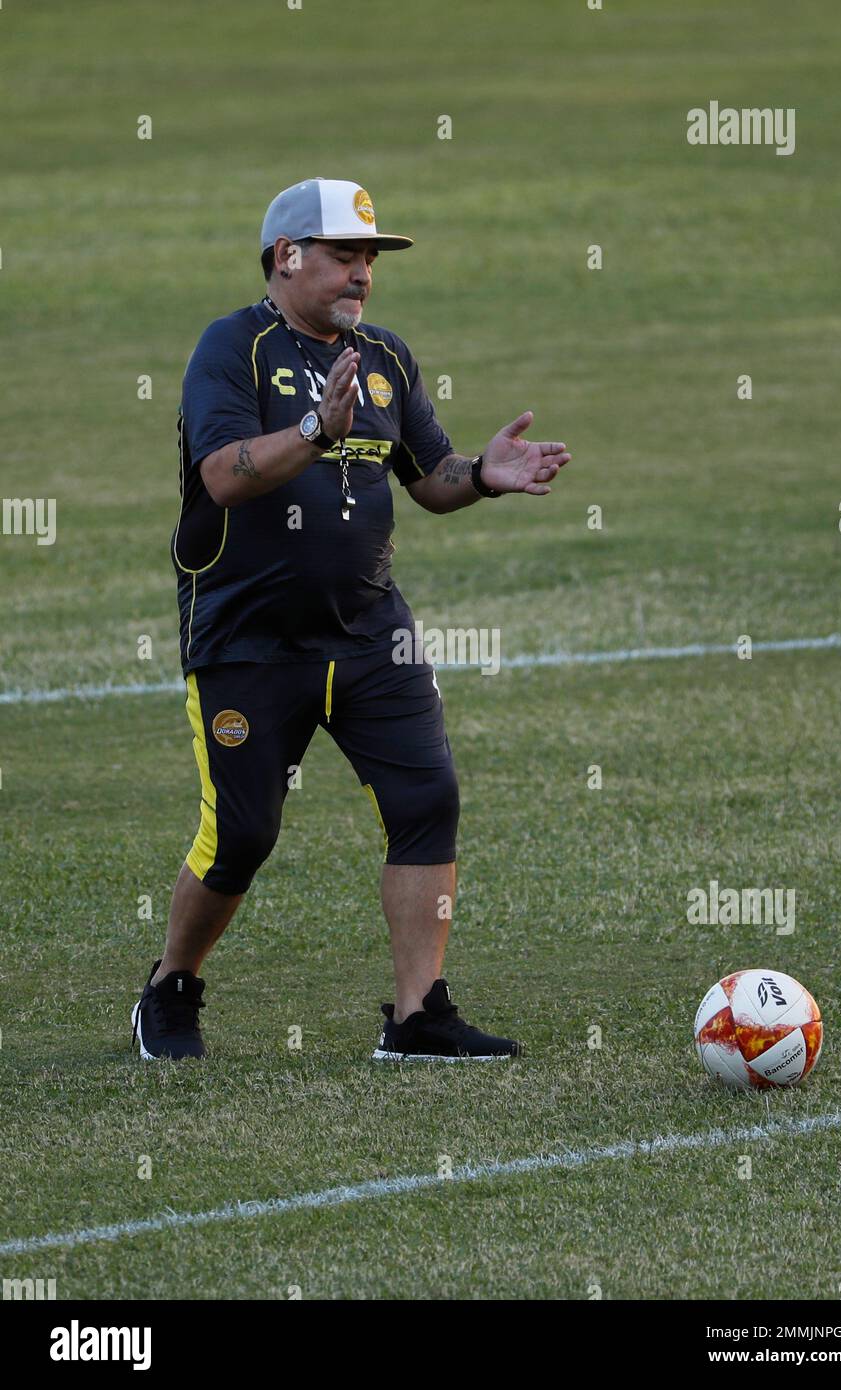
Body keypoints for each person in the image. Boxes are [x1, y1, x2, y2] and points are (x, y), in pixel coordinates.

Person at [130, 178, 571, 1063]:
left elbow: (427, 476)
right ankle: (170, 989)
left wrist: (482, 475)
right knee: (244, 831)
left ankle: (416, 1017)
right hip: (247, 640)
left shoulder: (385, 358)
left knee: (426, 799)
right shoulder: (232, 349)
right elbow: (223, 473)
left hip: (372, 634)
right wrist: (314, 430)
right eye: (344, 255)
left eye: (370, 257)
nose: (362, 273)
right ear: (286, 256)